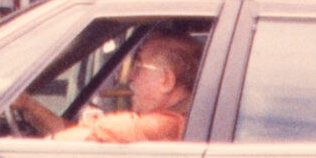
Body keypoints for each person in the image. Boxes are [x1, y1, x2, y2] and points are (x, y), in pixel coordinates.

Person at [18, 31, 200, 145]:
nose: (130, 76)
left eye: (139, 67)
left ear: (166, 80)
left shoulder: (168, 125)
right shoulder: (189, 121)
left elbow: (96, 134)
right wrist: (29, 106)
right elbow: (75, 133)